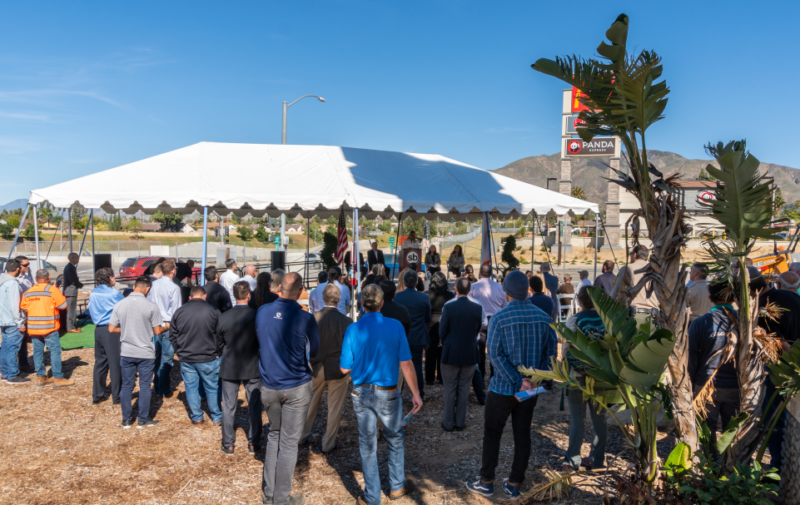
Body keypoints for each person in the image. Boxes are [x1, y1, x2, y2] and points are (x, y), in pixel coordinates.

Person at [466, 270, 557, 499]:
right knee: (522, 434)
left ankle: (486, 481)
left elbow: (494, 355)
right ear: (527, 289)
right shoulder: (544, 319)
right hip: (530, 390)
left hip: (503, 388)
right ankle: (514, 483)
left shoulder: (499, 318)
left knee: (492, 433)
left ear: (506, 292)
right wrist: (533, 380)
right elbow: (550, 355)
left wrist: (518, 381)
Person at [340, 284, 422, 505]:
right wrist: (416, 393)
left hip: (361, 392)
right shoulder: (395, 326)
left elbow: (344, 368)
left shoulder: (353, 329)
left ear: (361, 303)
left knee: (367, 443)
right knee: (395, 438)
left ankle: (372, 496)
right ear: (382, 303)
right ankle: (396, 486)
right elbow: (406, 363)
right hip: (388, 392)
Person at [256, 272, 318, 505]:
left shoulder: (263, 311)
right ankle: (281, 499)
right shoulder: (306, 318)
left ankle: (270, 493)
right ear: (301, 291)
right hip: (296, 385)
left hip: (270, 384)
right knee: (289, 442)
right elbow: (314, 351)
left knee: (274, 435)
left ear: (279, 288)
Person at [754, 269, 800, 471]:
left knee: (775, 420)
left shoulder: (764, 307)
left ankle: (779, 469)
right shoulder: (792, 296)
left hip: (783, 370)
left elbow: (782, 345)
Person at [301, 284, 353, 453]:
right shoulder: (346, 321)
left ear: (322, 299)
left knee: (309, 404)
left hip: (315, 367)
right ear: (339, 300)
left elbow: (305, 344)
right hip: (337, 368)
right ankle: (328, 444)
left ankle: (302, 436)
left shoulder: (312, 318)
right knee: (334, 408)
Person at [687, 281, 738, 453]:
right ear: (734, 298)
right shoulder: (745, 322)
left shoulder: (700, 323)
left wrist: (691, 384)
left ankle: (709, 468)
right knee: (732, 431)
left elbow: (691, 358)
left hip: (706, 384)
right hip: (736, 385)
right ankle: (729, 467)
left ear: (710, 298)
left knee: (706, 430)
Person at [108, 276, 165, 428]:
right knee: (145, 386)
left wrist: (126, 330)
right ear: (148, 289)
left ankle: (126, 420)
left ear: (134, 287)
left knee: (127, 385)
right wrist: (166, 326)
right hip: (145, 352)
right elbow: (157, 330)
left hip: (127, 351)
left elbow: (112, 328)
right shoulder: (151, 306)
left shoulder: (120, 304)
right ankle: (142, 419)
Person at [563, 286, 608, 472]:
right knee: (600, 421)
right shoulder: (607, 321)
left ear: (579, 301)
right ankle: (596, 461)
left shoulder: (574, 320)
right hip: (601, 376)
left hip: (577, 376)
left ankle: (572, 460)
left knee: (578, 419)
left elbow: (566, 350)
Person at [217, 281, 263, 454]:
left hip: (231, 365)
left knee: (228, 406)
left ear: (234, 295)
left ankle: (228, 443)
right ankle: (254, 442)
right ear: (248, 295)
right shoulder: (257, 315)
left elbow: (218, 343)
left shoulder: (223, 317)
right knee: (254, 404)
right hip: (252, 364)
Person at [170, 286, 222, 426]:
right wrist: (218, 351)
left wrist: (179, 350)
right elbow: (220, 334)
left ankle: (197, 417)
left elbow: (172, 335)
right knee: (212, 387)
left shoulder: (179, 312)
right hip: (208, 356)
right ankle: (216, 416)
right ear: (204, 296)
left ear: (190, 297)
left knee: (191, 387)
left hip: (187, 357)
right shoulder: (213, 311)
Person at [439, 278, 483, 431]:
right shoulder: (477, 308)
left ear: (455, 289)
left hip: (451, 352)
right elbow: (478, 329)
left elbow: (442, 331)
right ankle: (460, 422)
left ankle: (448, 422)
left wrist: (448, 343)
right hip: (470, 352)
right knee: (464, 389)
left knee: (450, 389)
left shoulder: (449, 307)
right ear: (470, 290)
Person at [20, 269, 74, 387]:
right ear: (48, 278)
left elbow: (23, 307)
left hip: (34, 328)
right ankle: (58, 378)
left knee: (37, 351)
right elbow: (63, 305)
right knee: (55, 351)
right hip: (49, 327)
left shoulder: (28, 292)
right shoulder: (52, 290)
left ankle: (40, 377)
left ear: (35, 279)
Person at [147, 259, 182, 399]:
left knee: (158, 355)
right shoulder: (174, 288)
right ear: (173, 270)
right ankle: (164, 388)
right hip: (168, 325)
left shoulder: (153, 284)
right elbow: (176, 311)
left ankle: (157, 384)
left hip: (155, 324)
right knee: (167, 358)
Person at [395, 269, 432, 399]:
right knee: (416, 365)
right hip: (418, 335)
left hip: (402, 335)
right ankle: (419, 392)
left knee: (400, 365)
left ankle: (398, 391)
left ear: (404, 282)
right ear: (417, 282)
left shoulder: (397, 297)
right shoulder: (424, 297)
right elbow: (428, 318)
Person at [89, 267, 124, 404]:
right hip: (112, 329)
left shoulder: (93, 293)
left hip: (98, 329)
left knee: (100, 363)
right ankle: (117, 395)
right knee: (115, 363)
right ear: (110, 278)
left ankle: (98, 394)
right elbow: (123, 308)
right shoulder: (114, 294)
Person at [469, 264, 508, 380]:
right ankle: (493, 374)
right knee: (494, 348)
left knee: (480, 349)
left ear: (479, 273)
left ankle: (480, 374)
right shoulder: (499, 287)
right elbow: (505, 305)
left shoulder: (473, 287)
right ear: (491, 274)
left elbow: (469, 304)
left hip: (479, 321)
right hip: (494, 320)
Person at [378, 278, 412, 392]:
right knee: (396, 385)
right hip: (396, 351)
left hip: (377, 350)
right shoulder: (402, 310)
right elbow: (407, 329)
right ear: (394, 293)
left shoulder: (374, 311)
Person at [610, 245, 657, 325]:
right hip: (653, 318)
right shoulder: (654, 271)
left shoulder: (626, 269)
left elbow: (615, 293)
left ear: (634, 255)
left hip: (634, 316)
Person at [0, 259, 29, 384]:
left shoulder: (2, 281)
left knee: (5, 347)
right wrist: (20, 322)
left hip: (4, 320)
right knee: (12, 348)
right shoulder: (12, 283)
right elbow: (14, 305)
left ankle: (5, 373)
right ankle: (12, 375)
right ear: (18, 269)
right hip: (12, 321)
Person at [425, 271, 454, 385]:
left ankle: (429, 378)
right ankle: (442, 377)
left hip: (430, 325)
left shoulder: (426, 294)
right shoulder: (450, 295)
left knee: (430, 353)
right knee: (443, 352)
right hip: (445, 325)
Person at [13, 255, 32, 371]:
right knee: (13, 342)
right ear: (18, 266)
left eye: (28, 264)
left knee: (23, 340)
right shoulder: (14, 281)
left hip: (26, 313)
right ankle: (8, 366)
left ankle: (23, 363)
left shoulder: (27, 278)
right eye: (25, 265)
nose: (28, 266)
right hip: (16, 314)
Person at [62, 252, 83, 333]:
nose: (78, 259)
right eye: (77, 257)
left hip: (71, 291)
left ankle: (73, 325)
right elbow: (73, 280)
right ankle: (70, 327)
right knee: (70, 310)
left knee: (72, 309)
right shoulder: (69, 267)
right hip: (70, 292)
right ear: (71, 258)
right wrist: (79, 285)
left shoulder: (71, 267)